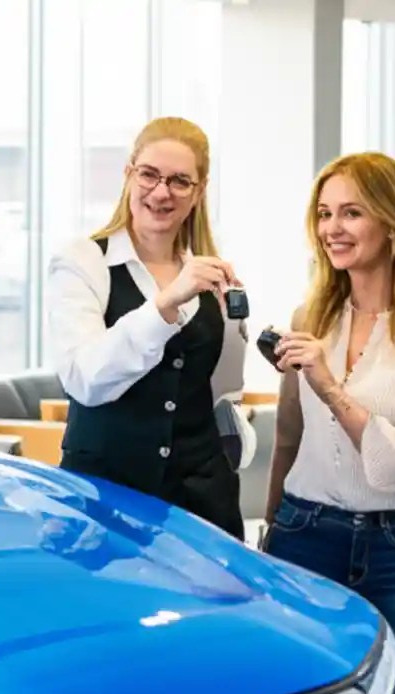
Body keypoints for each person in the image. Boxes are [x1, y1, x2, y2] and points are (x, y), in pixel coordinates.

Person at [262, 151, 395, 688]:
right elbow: (289, 436)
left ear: (392, 222)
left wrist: (332, 388)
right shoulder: (309, 320)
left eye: (351, 213)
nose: (332, 228)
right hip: (303, 536)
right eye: (325, 213)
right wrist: (272, 528)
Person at [47, 116, 249, 541]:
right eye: (149, 174)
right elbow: (84, 379)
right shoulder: (84, 261)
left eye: (179, 181)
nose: (161, 192)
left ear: (199, 191)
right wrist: (164, 304)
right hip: (104, 498)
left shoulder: (210, 274)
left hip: (200, 502)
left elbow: (223, 392)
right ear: (128, 174)